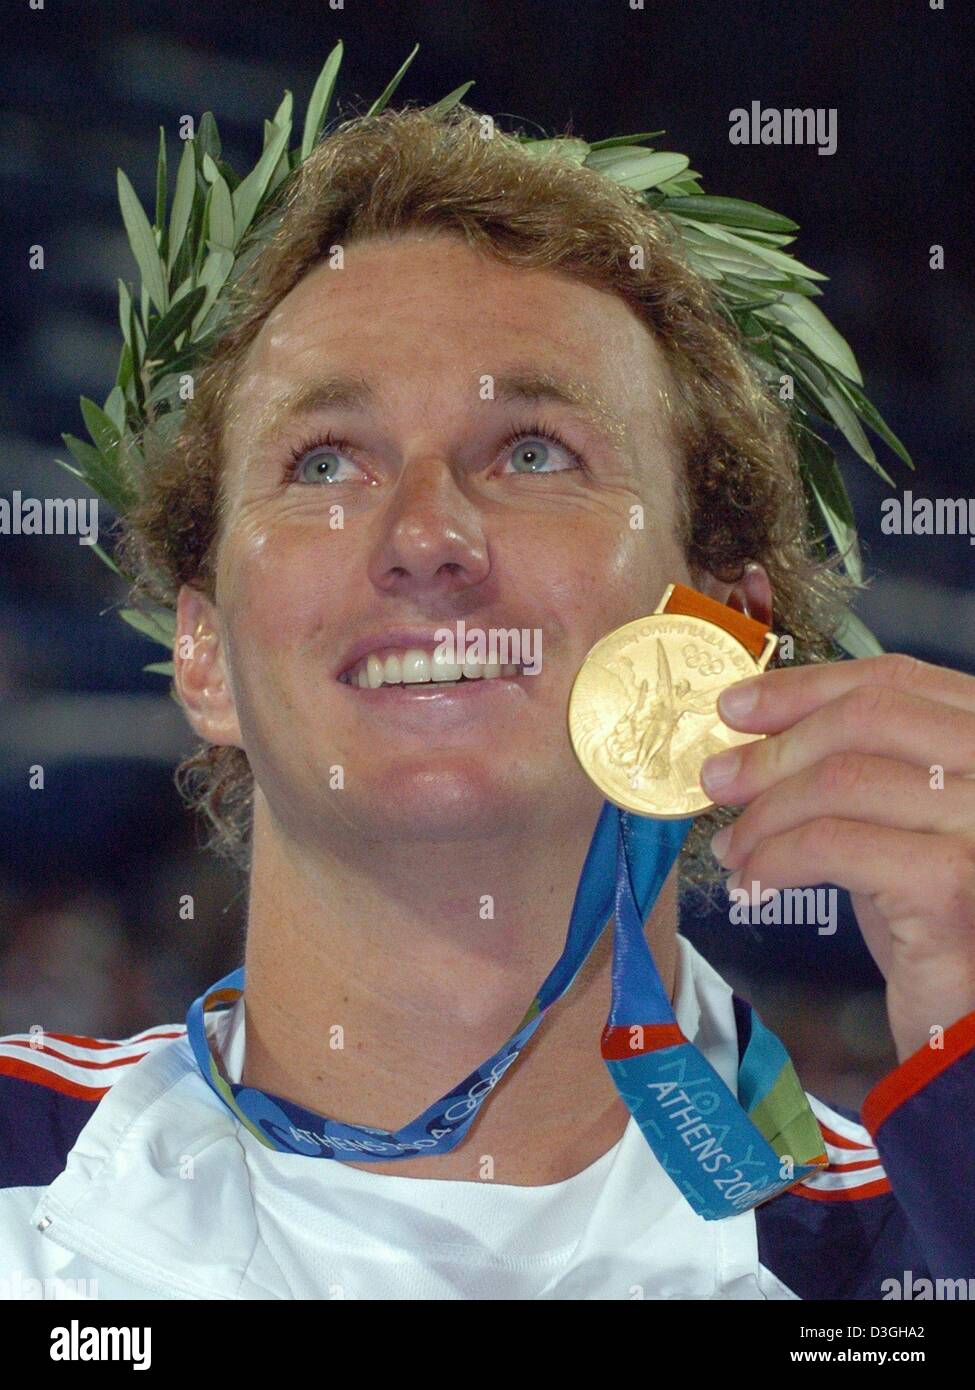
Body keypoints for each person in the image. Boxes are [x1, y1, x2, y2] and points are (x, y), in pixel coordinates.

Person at [1, 104, 973, 1301]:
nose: (423, 537)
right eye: (324, 462)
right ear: (202, 656)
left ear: (724, 638)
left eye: (532, 451)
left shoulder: (917, 1252)